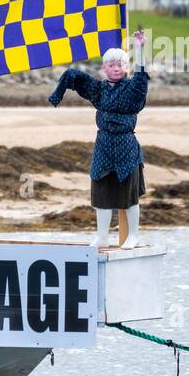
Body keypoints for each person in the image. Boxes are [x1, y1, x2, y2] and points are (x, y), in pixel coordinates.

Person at [47, 29, 149, 248]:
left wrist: (139, 49)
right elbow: (77, 77)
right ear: (104, 68)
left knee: (129, 195)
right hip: (103, 145)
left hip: (126, 146)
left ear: (126, 67)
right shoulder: (99, 90)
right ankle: (102, 235)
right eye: (111, 65)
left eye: (120, 64)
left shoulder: (132, 89)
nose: (116, 68)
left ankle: (134, 235)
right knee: (101, 192)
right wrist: (61, 87)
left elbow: (141, 78)